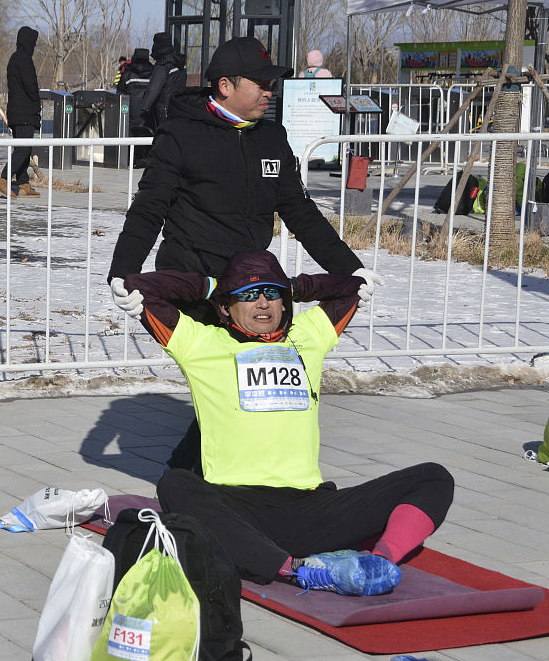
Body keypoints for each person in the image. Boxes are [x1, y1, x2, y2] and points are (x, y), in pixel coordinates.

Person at [107, 36, 382, 470]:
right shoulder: (181, 133)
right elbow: (149, 208)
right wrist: (123, 272)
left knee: (237, 389)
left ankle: (202, 478)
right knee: (224, 385)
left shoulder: (271, 137)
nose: (270, 91)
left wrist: (351, 267)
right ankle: (200, 481)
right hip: (194, 281)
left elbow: (300, 211)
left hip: (251, 287)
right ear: (225, 86)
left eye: (272, 82)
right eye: (260, 83)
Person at [124, 249, 454, 595]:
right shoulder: (199, 343)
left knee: (433, 477)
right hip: (238, 511)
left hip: (311, 510)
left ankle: (377, 564)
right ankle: (295, 570)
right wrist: (215, 286)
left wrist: (294, 286)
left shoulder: (308, 335)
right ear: (225, 307)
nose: (263, 304)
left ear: (285, 303)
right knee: (175, 484)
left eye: (273, 294)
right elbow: (141, 287)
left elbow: (351, 288)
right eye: (248, 296)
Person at [0, 26, 41, 199]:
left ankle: (23, 183)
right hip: (25, 112)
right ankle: (4, 178)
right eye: (33, 43)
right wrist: (37, 104)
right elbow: (31, 86)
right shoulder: (24, 60)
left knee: (24, 148)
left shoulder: (14, 58)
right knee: (23, 149)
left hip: (16, 111)